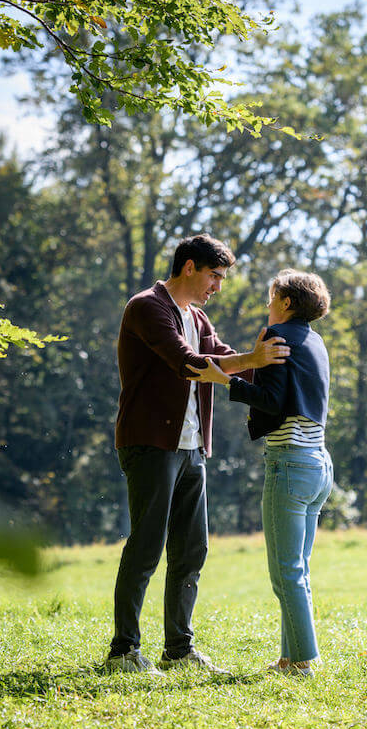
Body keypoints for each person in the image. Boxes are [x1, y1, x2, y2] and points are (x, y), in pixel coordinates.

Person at [107, 234, 290, 675]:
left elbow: (223, 356)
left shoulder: (198, 316)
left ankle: (178, 648)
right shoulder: (147, 307)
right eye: (214, 275)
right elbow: (189, 362)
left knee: (192, 548)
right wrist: (254, 358)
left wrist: (268, 363)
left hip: (192, 447)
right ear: (189, 266)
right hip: (150, 443)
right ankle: (123, 651)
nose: (218, 286)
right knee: (147, 545)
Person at [189, 269, 332, 677]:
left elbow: (271, 401)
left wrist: (222, 378)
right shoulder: (315, 341)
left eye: (272, 297)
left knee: (285, 574)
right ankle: (290, 659)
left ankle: (304, 660)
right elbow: (288, 395)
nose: (267, 305)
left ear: (287, 302)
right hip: (319, 463)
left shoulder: (276, 337)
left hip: (290, 462)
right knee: (297, 570)